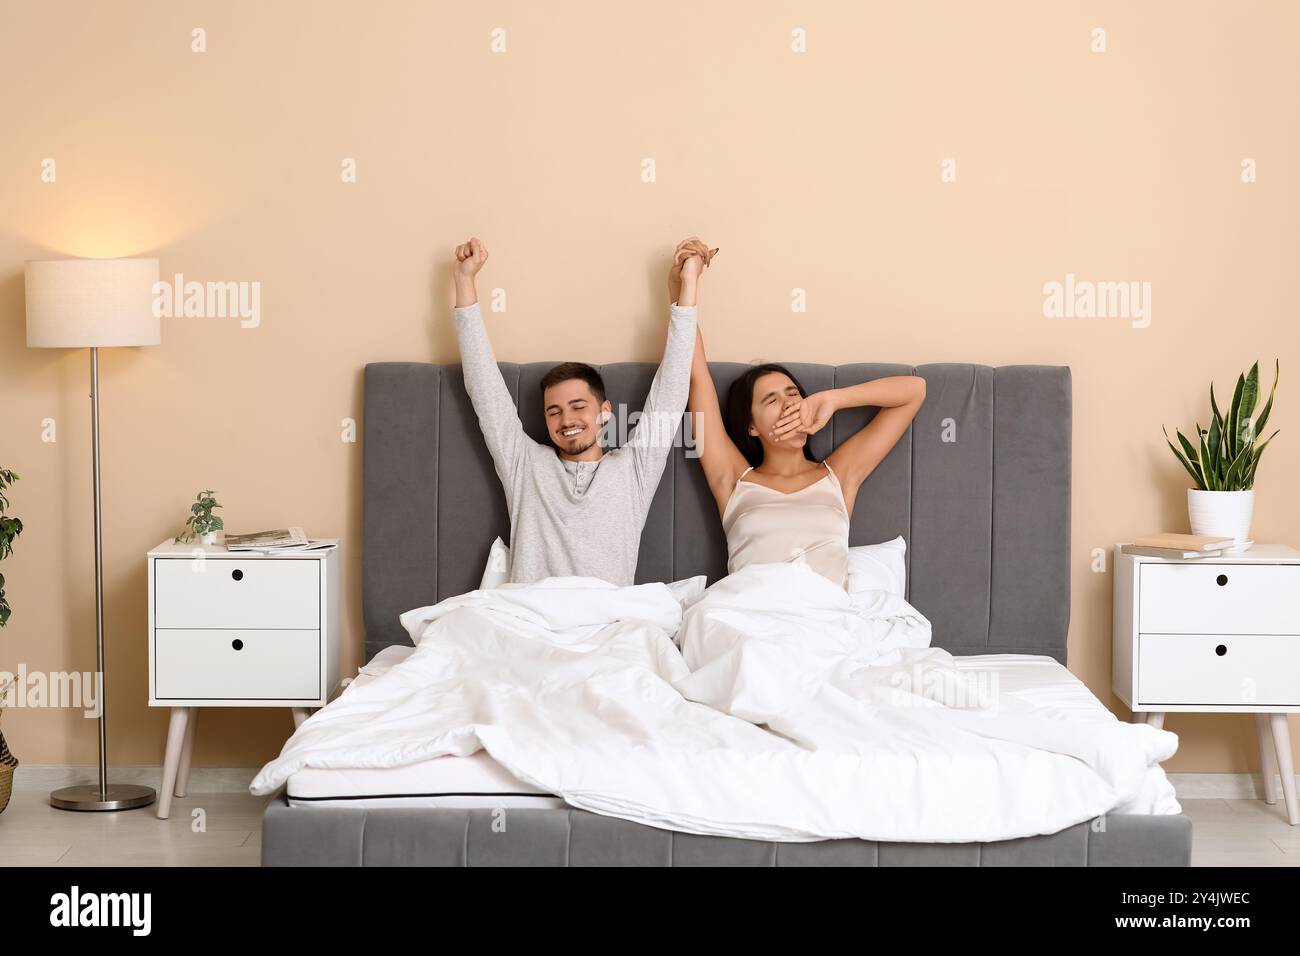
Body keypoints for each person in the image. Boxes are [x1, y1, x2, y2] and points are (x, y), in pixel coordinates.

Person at [451, 236, 712, 585]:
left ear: (604, 412)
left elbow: (673, 389)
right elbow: (484, 389)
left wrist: (688, 284)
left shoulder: (633, 469)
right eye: (554, 411)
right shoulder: (526, 465)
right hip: (532, 623)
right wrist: (464, 281)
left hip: (603, 626)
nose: (566, 420)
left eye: (578, 407)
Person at [684, 257, 926, 589]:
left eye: (793, 394)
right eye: (771, 400)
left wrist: (836, 399)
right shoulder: (733, 480)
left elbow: (914, 392)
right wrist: (684, 286)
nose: (788, 404)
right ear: (751, 427)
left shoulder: (838, 476)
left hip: (824, 618)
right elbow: (696, 377)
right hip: (754, 616)